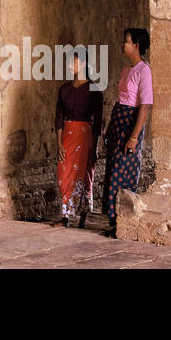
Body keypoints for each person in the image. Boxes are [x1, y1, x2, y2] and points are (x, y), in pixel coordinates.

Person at [102, 27, 153, 237]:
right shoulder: (126, 70)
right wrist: (110, 128)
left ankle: (125, 223)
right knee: (112, 169)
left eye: (127, 41)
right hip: (118, 121)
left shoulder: (144, 70)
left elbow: (145, 105)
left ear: (136, 45)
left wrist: (134, 136)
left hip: (130, 124)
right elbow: (120, 100)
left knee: (124, 172)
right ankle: (114, 222)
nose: (123, 44)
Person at [54, 48, 103, 228]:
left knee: (83, 174)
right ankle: (65, 216)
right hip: (67, 135)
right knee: (64, 173)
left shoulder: (94, 89)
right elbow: (59, 117)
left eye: (73, 62)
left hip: (85, 137)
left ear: (83, 64)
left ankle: (82, 216)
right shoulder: (64, 89)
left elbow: (98, 122)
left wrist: (94, 147)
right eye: (68, 62)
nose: (69, 65)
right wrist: (59, 143)